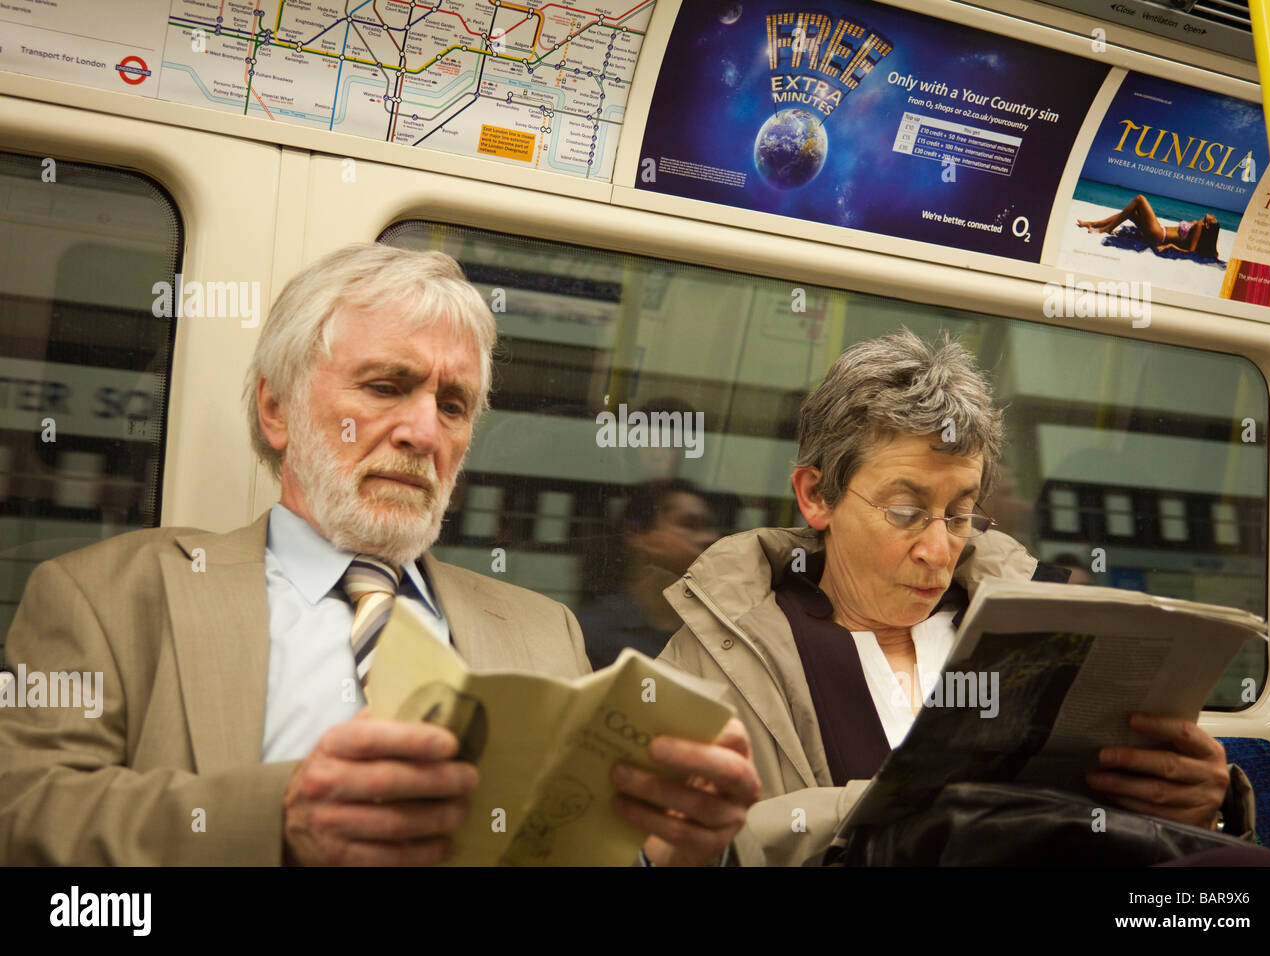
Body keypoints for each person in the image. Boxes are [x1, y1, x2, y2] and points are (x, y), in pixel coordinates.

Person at [0, 243, 760, 866]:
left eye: (452, 405)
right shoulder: (112, 594)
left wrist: (667, 849)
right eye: (387, 386)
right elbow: (24, 813)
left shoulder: (542, 630)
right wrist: (280, 819)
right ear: (277, 409)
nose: (423, 433)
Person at [657, 329, 1255, 865]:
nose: (938, 551)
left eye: (962, 513)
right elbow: (674, 850)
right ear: (817, 495)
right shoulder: (716, 659)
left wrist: (1206, 810)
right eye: (905, 511)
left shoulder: (1039, 620)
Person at [579, 478, 720, 669]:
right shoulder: (593, 635)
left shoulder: (714, 636)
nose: (710, 538)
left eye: (709, 527)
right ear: (638, 533)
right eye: (690, 524)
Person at [1076, 194, 1220, 258]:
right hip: (1159, 230)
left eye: (1214, 220)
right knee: (1132, 212)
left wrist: (1170, 247)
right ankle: (1093, 224)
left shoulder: (1200, 227)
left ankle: (1105, 229)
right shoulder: (1199, 224)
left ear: (1208, 226)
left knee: (1140, 199)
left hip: (1158, 234)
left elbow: (1190, 251)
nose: (1213, 216)